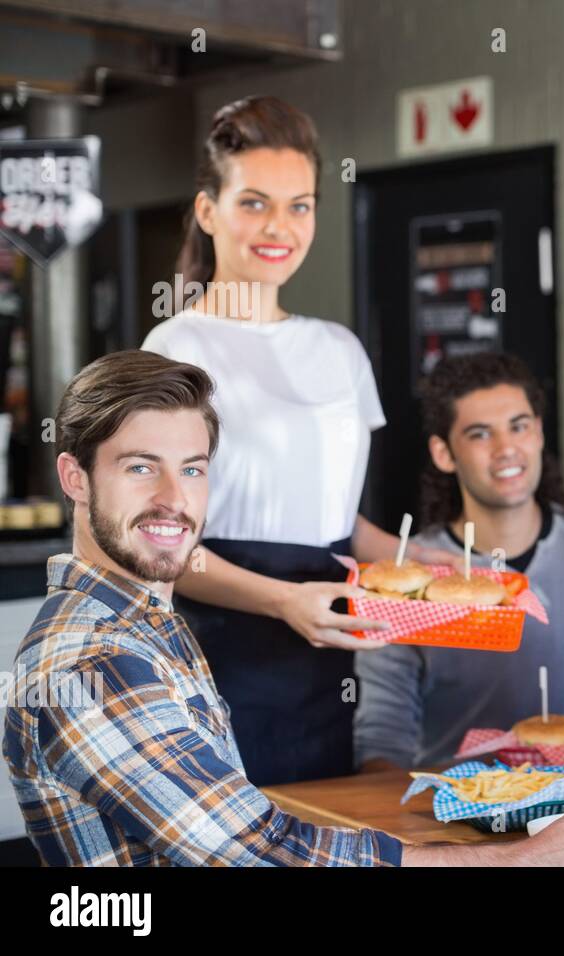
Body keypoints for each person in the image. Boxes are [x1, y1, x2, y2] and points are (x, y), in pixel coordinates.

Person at [1, 350, 564, 866]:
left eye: (192, 469)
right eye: (141, 468)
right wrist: (515, 861)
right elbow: (263, 853)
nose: (174, 498)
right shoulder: (98, 660)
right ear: (75, 477)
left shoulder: (148, 624)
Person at [141, 96, 453, 785]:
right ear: (207, 210)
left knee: (318, 830)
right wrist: (282, 600)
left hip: (326, 644)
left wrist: (423, 563)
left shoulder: (339, 349)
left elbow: (332, 521)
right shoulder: (175, 346)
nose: (279, 227)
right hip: (220, 639)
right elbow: (158, 545)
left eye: (300, 205)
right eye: (254, 203)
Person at [355, 353, 564, 768]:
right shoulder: (408, 578)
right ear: (443, 453)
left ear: (540, 433)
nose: (506, 448)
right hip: (451, 810)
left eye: (519, 426)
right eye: (479, 434)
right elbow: (381, 739)